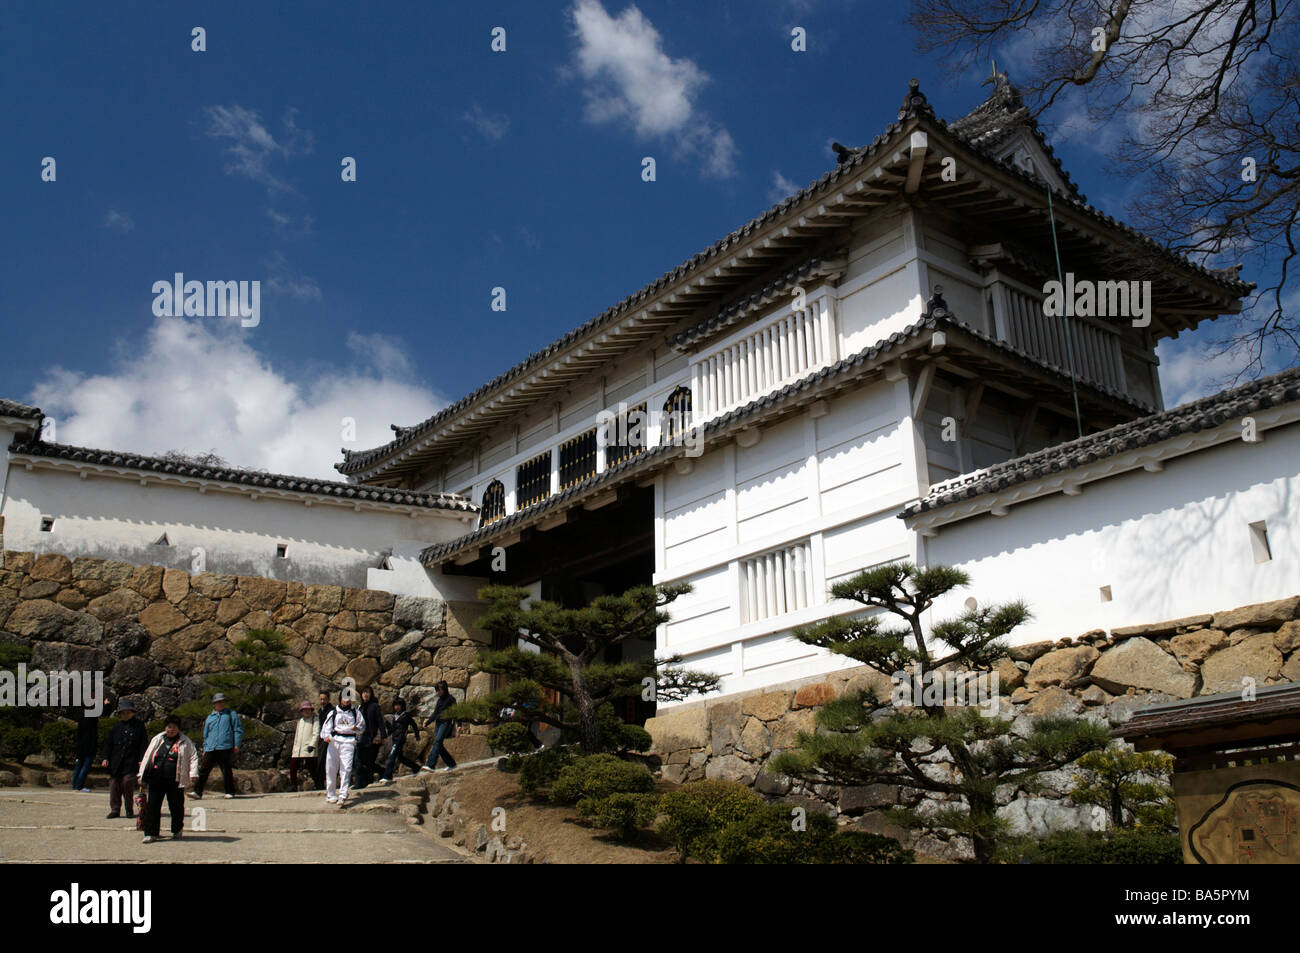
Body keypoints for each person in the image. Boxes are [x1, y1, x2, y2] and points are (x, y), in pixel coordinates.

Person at [137, 715, 199, 844]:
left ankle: (177, 829)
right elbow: (148, 756)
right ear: (165, 727)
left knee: (176, 807)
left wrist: (193, 773)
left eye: (174, 727)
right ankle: (151, 833)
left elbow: (193, 757)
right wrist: (141, 774)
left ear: (178, 728)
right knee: (153, 806)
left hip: (175, 779)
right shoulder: (157, 739)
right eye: (169, 726)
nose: (171, 729)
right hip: (156, 778)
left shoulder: (185, 741)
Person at [99, 698, 147, 819]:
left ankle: (129, 808)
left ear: (133, 713)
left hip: (131, 761)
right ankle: (115, 809)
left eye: (128, 712)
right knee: (114, 785)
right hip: (116, 761)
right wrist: (105, 758)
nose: (125, 715)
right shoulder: (116, 727)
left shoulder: (139, 726)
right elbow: (108, 744)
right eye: (123, 713)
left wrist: (142, 759)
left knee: (127, 783)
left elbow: (143, 744)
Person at [192, 693, 242, 799]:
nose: (220, 704)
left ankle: (230, 791)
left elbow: (237, 730)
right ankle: (197, 792)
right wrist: (205, 747)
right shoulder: (210, 717)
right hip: (211, 747)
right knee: (204, 770)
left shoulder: (230, 714)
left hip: (225, 746)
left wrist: (236, 744)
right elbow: (206, 734)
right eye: (218, 702)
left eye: (222, 701)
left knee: (226, 770)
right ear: (214, 704)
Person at [319, 691, 365, 805]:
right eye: (344, 698)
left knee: (346, 768)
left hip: (349, 742)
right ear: (340, 699)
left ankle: (343, 794)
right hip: (334, 742)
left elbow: (362, 726)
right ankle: (330, 794)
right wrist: (327, 737)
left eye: (349, 699)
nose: (346, 701)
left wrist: (356, 729)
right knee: (331, 768)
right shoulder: (333, 712)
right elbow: (326, 729)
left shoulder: (355, 712)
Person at [377, 697, 421, 783]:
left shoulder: (405, 715)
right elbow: (392, 729)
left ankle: (387, 776)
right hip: (394, 738)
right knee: (400, 758)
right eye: (395, 705)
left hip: (400, 738)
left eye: (398, 705)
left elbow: (414, 725)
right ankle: (416, 767)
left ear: (402, 706)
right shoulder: (395, 716)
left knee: (392, 756)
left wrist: (417, 735)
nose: (397, 707)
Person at [419, 681, 457, 772]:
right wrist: (427, 722)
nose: (438, 692)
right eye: (437, 690)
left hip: (446, 723)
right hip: (438, 723)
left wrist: (458, 725)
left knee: (437, 741)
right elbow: (435, 713)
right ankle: (451, 764)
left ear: (444, 689)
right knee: (438, 744)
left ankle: (431, 765)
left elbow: (456, 712)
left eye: (439, 690)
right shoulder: (439, 700)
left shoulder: (451, 699)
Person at [355, 686, 386, 788]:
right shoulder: (360, 707)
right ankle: (360, 782)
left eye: (367, 692)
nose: (365, 694)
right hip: (361, 737)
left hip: (372, 738)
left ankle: (368, 780)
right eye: (364, 692)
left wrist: (382, 736)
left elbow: (380, 721)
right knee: (359, 760)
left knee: (369, 761)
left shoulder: (374, 706)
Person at [288, 701, 319, 790]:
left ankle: (317, 783)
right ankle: (293, 785)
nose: (307, 711)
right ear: (301, 711)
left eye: (308, 710)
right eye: (304, 710)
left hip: (308, 747)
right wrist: (294, 747)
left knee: (312, 767)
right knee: (293, 766)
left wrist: (312, 744)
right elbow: (297, 736)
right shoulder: (300, 721)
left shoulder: (315, 720)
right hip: (298, 748)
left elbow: (316, 733)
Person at [72, 705, 99, 792]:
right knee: (85, 767)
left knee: (78, 766)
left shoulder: (81, 717)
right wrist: (107, 704)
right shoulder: (92, 718)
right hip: (89, 746)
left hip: (80, 746)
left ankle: (75, 785)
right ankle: (79, 785)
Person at [313, 690, 331, 789]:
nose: (322, 701)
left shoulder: (331, 710)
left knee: (323, 761)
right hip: (321, 738)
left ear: (329, 699)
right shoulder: (320, 711)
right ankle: (319, 783)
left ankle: (322, 783)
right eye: (321, 699)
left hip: (328, 739)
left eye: (324, 699)